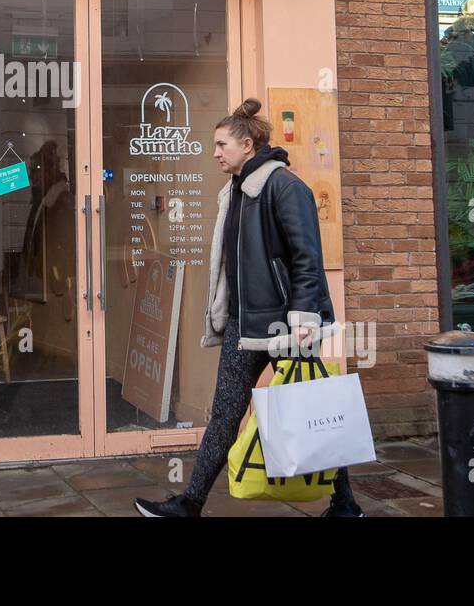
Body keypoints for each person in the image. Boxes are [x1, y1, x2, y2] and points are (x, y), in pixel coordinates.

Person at [134, 99, 365, 517]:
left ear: (247, 143)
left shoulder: (285, 187)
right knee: (226, 413)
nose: (216, 152)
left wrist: (303, 320)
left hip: (287, 327)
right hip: (245, 325)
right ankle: (190, 503)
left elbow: (306, 258)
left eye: (222, 144)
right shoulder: (237, 192)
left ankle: (345, 504)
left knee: (313, 412)